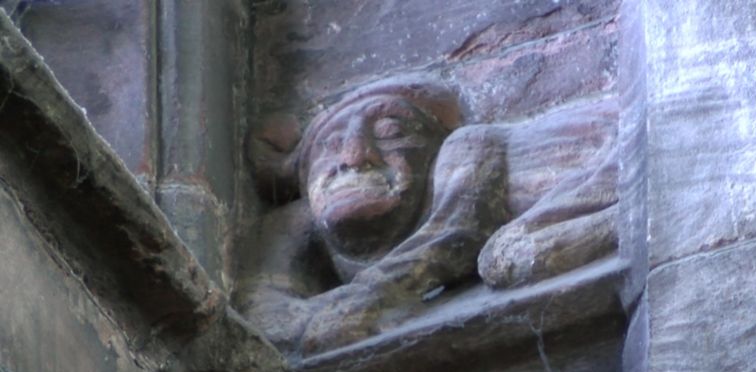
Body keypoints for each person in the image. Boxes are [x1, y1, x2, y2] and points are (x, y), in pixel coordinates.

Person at [239, 74, 617, 357]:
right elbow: (257, 313)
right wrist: (302, 320)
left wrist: (363, 300)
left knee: (506, 258)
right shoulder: (300, 219)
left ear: (431, 151)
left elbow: (457, 234)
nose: (354, 155)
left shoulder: (466, 144)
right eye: (329, 145)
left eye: (390, 133)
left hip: (615, 160)